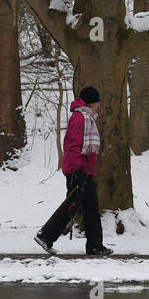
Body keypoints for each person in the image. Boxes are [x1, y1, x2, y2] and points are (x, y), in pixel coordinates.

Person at [34, 86, 113, 256]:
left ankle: (94, 245)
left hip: (84, 171)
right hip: (78, 171)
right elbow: (72, 146)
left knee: (90, 208)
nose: (99, 106)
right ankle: (46, 235)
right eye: (97, 102)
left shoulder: (86, 118)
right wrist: (77, 171)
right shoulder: (80, 118)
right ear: (92, 102)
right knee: (72, 205)